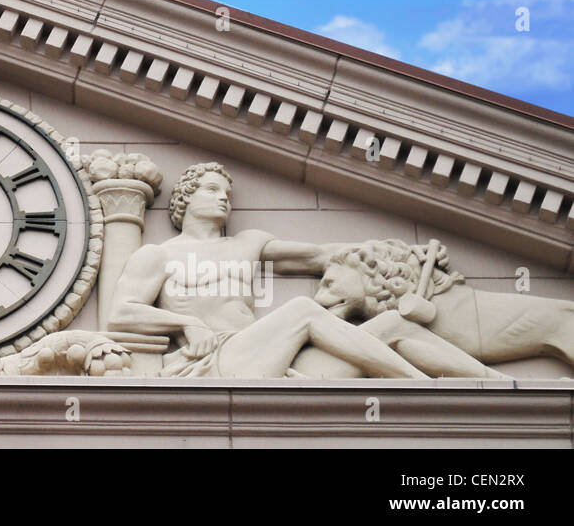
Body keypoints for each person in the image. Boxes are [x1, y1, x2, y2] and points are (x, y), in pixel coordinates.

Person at [108, 162, 428, 379]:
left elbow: (319, 256)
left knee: (393, 324)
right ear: (185, 198)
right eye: (212, 190)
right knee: (304, 309)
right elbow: (122, 312)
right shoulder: (158, 255)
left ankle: (460, 385)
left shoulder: (249, 243)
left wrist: (406, 253)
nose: (224, 198)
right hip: (215, 363)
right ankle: (419, 383)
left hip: (265, 357)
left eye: (228, 195)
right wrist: (187, 323)